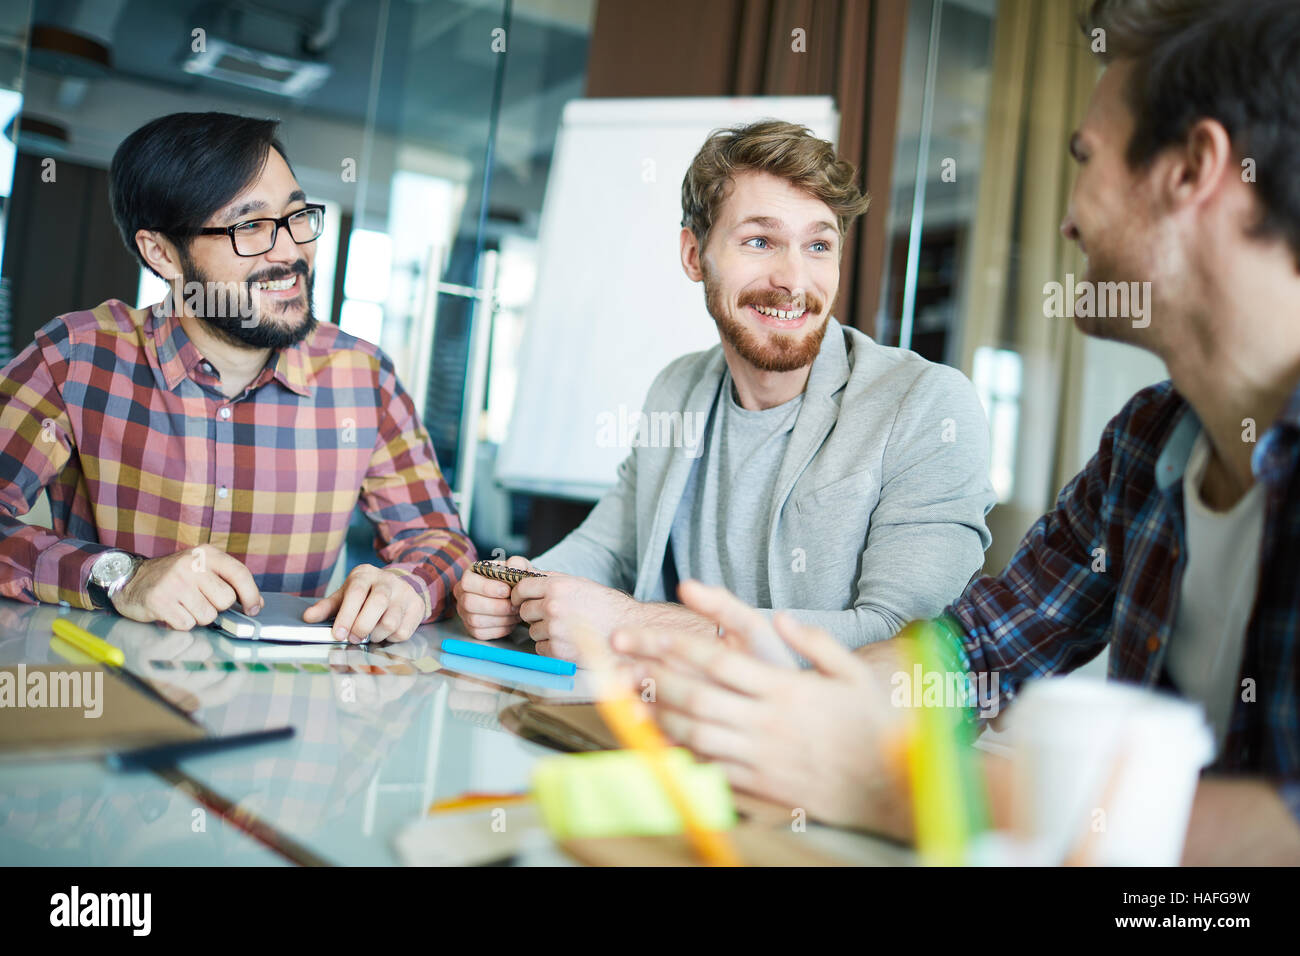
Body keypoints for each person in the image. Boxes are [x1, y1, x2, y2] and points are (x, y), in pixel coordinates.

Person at [614, 0, 1300, 864]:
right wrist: (790, 707)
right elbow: (976, 652)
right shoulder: (1146, 444)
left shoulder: (923, 401)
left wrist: (885, 780)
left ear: (1191, 168)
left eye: (1084, 158)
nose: (1067, 218)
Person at [456, 120, 994, 659]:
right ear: (694, 255)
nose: (794, 280)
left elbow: (908, 642)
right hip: (664, 725)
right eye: (760, 241)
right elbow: (607, 550)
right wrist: (518, 587)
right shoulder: (678, 387)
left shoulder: (927, 404)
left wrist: (639, 625)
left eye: (818, 245)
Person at [0, 112, 473, 643]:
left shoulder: (361, 378)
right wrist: (122, 576)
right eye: (250, 227)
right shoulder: (77, 357)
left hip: (288, 708)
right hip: (114, 693)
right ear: (161, 252)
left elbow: (439, 537)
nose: (291, 252)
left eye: (297, 217)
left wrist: (403, 586)